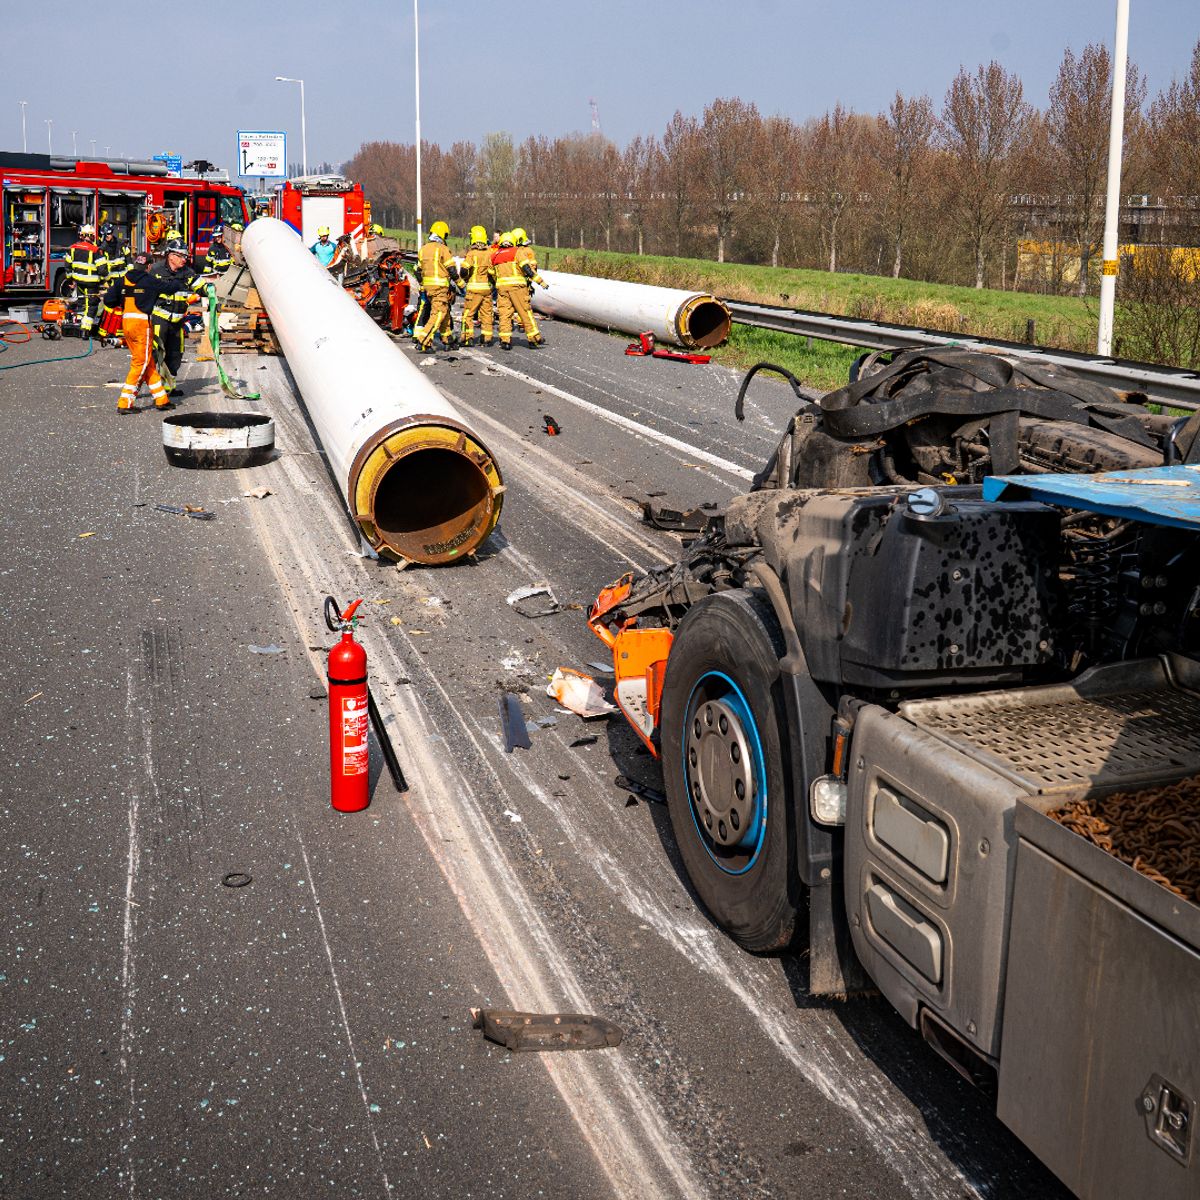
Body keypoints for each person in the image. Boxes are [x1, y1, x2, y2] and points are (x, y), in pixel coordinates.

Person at [101, 251, 170, 412]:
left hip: (127, 325)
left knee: (148, 362)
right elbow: (169, 288)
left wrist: (123, 297)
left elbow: (109, 300)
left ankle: (161, 399)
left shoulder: (123, 280)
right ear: (149, 266)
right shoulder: (149, 280)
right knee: (140, 363)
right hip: (141, 326)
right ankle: (125, 403)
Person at [147, 238, 202, 394]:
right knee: (156, 352)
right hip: (160, 320)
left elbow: (199, 285)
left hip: (178, 321)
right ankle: (149, 384)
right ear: (171, 256)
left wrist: (209, 289)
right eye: (182, 256)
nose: (185, 259)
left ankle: (169, 387)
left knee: (176, 353)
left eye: (186, 256)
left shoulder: (187, 272)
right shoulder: (156, 270)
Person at [493, 231, 545, 350]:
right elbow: (527, 268)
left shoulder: (495, 255)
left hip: (502, 289)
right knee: (525, 312)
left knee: (505, 314)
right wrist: (540, 281)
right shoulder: (517, 252)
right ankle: (534, 339)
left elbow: (492, 273)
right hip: (518, 288)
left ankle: (505, 341)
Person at [412, 220, 458, 352]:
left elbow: (417, 270)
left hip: (428, 289)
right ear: (443, 234)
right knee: (438, 314)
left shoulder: (423, 249)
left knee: (444, 312)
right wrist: (460, 285)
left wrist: (423, 283)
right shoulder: (443, 249)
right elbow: (452, 270)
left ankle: (448, 339)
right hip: (440, 288)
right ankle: (423, 341)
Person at [64, 223, 108, 336]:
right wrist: (106, 281)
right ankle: (85, 329)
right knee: (92, 305)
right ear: (91, 236)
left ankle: (78, 326)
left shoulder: (73, 248)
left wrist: (71, 280)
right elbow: (103, 270)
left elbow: (67, 266)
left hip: (79, 282)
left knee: (82, 303)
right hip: (91, 284)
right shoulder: (95, 250)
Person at [459, 225, 495, 347]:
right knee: (486, 314)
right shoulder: (490, 253)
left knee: (468, 314)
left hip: (474, 288)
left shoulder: (472, 254)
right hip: (486, 289)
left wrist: (465, 278)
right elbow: (492, 272)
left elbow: (464, 270)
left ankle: (467, 338)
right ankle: (487, 338)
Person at [511, 227, 548, 346]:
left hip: (521, 282)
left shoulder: (523, 251)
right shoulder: (523, 251)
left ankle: (520, 326)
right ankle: (530, 332)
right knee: (524, 307)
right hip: (522, 283)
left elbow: (531, 267)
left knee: (517, 307)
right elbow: (533, 267)